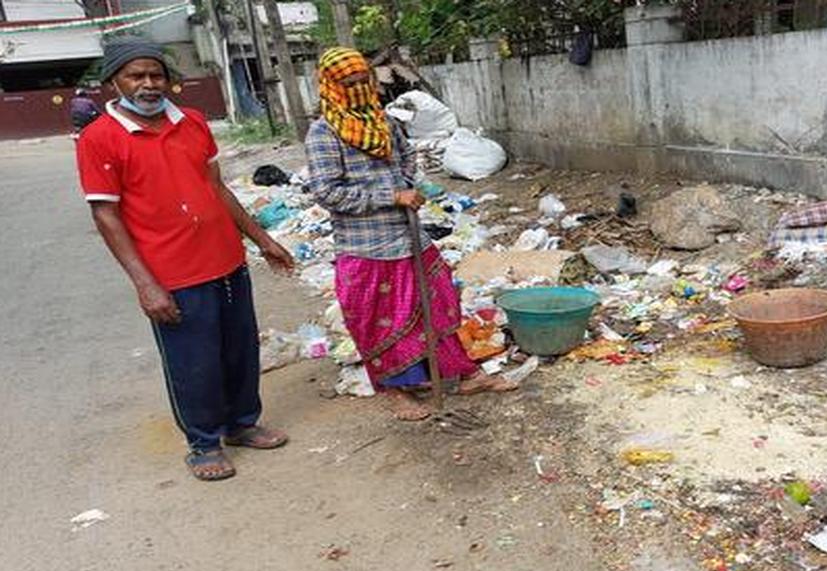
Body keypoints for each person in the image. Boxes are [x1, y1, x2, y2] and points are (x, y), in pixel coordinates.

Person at [75, 40, 295, 481]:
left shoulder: (191, 121)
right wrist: (145, 284)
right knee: (194, 362)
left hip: (227, 261)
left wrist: (262, 239)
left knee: (240, 350)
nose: (149, 84)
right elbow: (106, 215)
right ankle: (203, 442)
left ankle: (242, 424)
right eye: (136, 76)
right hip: (173, 273)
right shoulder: (100, 138)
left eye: (156, 75)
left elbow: (216, 187)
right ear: (114, 82)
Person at [305, 47, 516, 421]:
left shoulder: (383, 121)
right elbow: (327, 192)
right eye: (349, 83)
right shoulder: (324, 133)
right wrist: (390, 196)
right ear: (331, 87)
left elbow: (407, 156)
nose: (358, 88)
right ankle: (397, 389)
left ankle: (465, 374)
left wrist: (404, 184)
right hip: (366, 246)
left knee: (437, 305)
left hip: (408, 234)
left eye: (363, 80)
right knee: (382, 318)